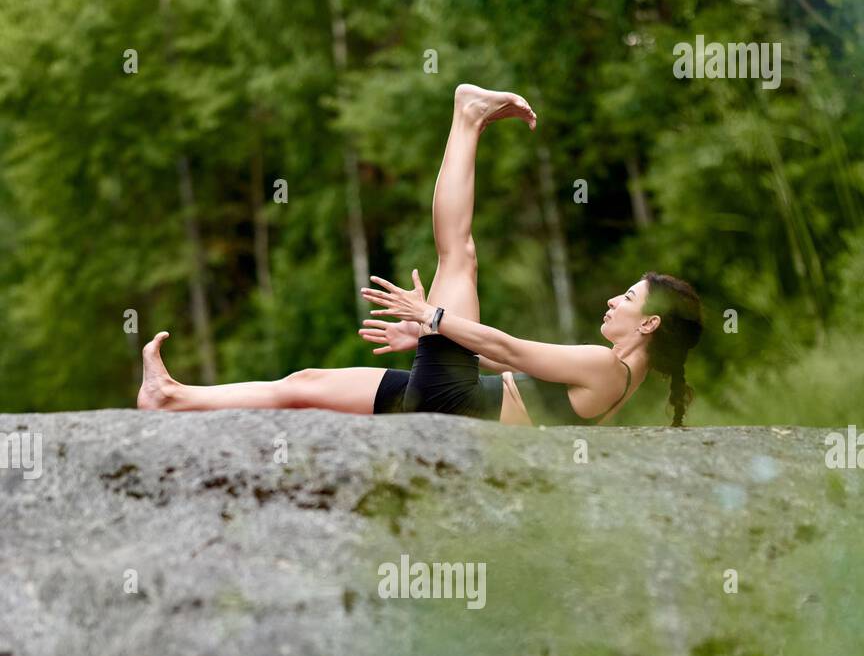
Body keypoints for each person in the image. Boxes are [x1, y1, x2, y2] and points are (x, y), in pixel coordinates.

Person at [138, 85, 702, 426]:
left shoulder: (610, 366)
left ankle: (469, 115)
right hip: (446, 397)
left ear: (650, 322)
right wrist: (433, 338)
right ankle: (173, 398)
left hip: (452, 401)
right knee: (303, 384)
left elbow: (507, 347)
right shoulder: (620, 379)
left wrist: (433, 319)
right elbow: (514, 369)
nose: (613, 299)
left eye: (627, 297)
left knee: (459, 255)